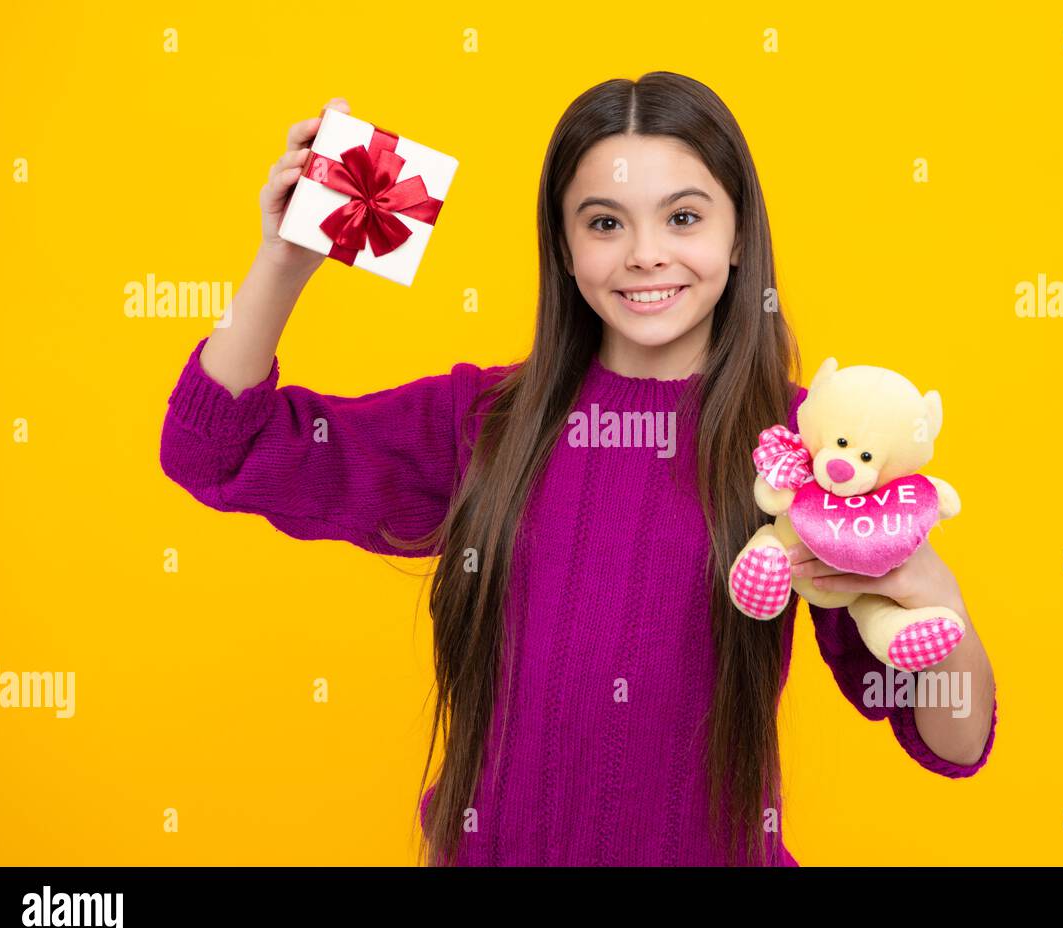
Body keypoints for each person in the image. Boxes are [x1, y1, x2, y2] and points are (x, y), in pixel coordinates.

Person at [159, 73, 997, 867]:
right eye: (603, 223)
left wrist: (941, 604)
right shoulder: (483, 424)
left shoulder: (809, 444)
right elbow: (212, 452)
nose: (643, 255)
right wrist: (282, 265)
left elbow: (952, 743)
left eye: (683, 218)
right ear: (561, 248)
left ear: (739, 235)